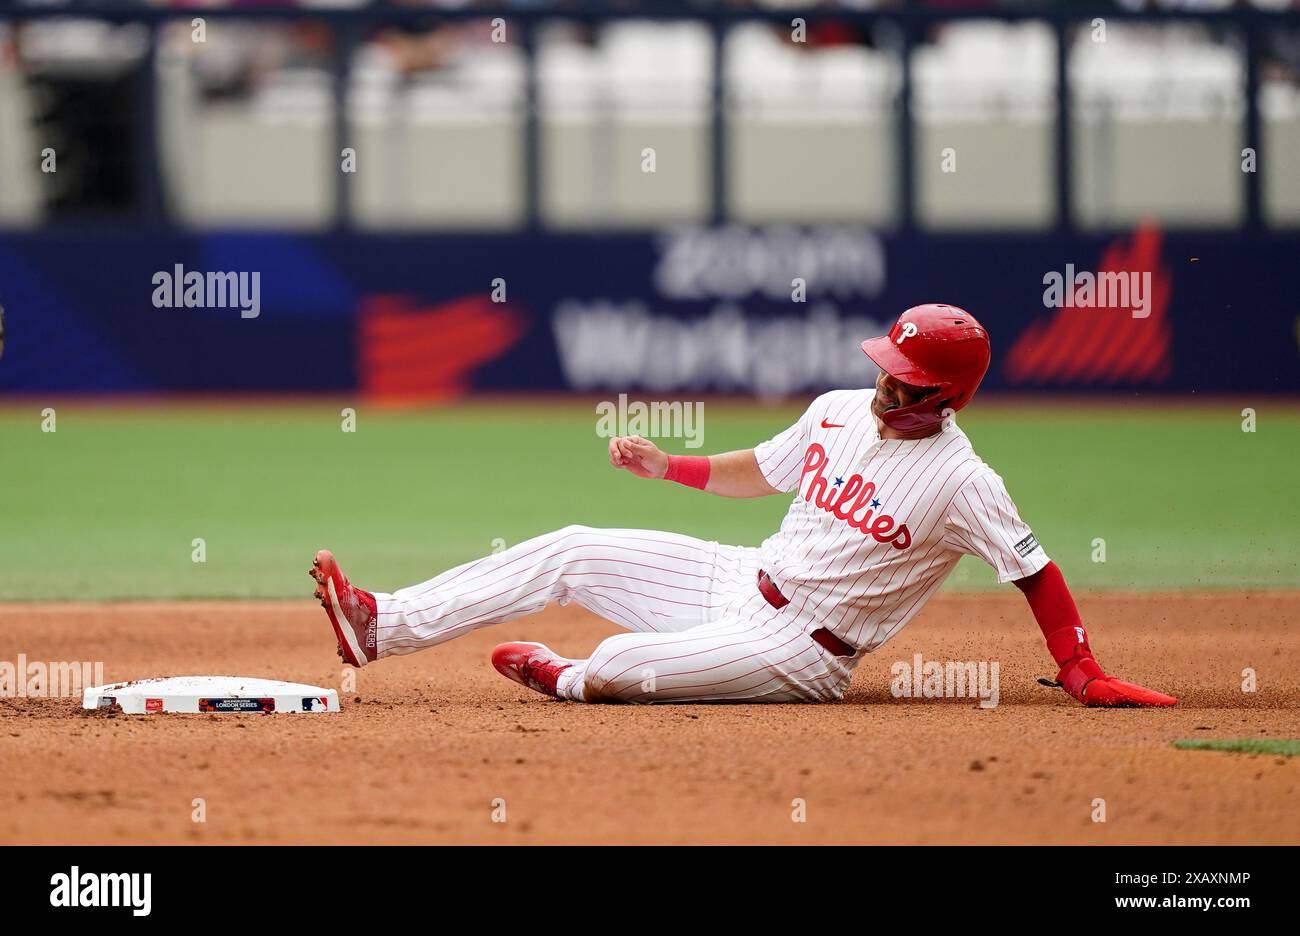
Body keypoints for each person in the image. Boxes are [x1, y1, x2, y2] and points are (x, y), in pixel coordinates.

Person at [309, 303, 1176, 707]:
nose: (885, 383)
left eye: (906, 380)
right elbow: (755, 473)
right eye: (887, 365)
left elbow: (1036, 570)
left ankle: (565, 679)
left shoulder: (964, 480)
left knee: (617, 664)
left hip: (806, 651)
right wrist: (666, 467)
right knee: (572, 545)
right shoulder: (838, 408)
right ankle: (380, 623)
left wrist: (1079, 668)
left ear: (946, 397)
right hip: (741, 576)